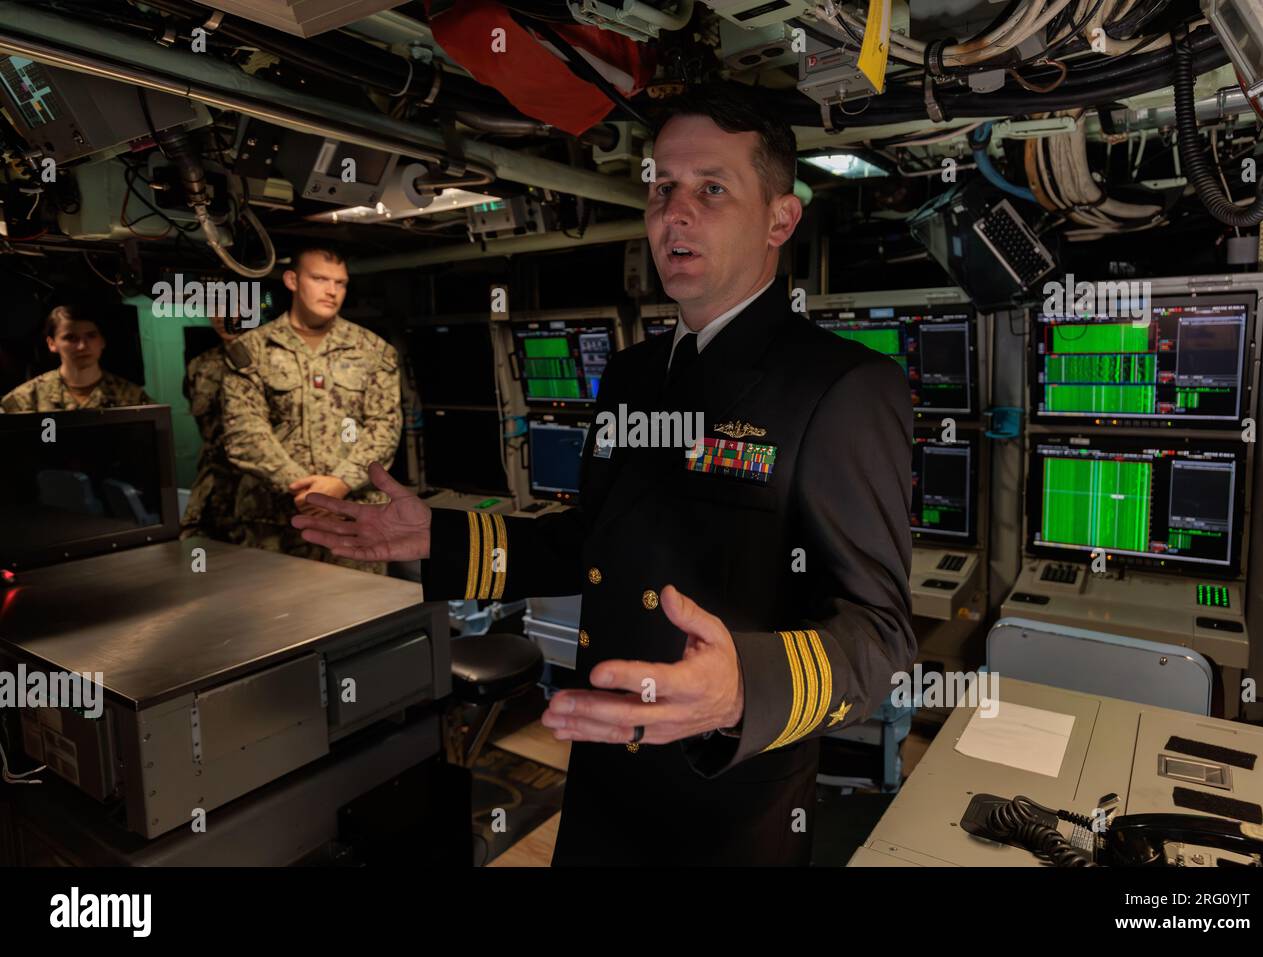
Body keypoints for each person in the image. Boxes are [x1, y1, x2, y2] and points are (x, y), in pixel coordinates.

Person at [292, 84, 915, 865]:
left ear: (781, 221)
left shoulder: (841, 386)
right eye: (662, 189)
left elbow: (883, 635)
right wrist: (437, 536)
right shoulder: (631, 375)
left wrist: (744, 688)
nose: (673, 214)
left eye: (711, 190)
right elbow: (590, 542)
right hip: (603, 782)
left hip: (723, 802)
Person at [221, 245, 402, 575]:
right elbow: (244, 432)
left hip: (354, 518)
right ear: (292, 280)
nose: (332, 291)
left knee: (362, 613)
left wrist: (340, 483)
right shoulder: (251, 351)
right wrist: (305, 491)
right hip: (275, 520)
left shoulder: (374, 351)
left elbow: (385, 428)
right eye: (320, 279)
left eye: (341, 283)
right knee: (278, 619)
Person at [1, 303, 152, 412]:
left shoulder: (132, 399)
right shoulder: (26, 400)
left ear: (102, 340)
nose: (82, 346)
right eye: (71, 338)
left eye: (91, 336)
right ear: (52, 343)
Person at [179, 311, 249, 543]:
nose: (221, 316)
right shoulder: (200, 366)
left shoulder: (275, 360)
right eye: (214, 308)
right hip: (214, 481)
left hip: (257, 484)